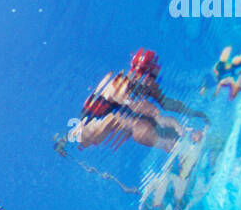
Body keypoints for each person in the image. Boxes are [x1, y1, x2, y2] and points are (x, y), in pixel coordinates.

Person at [71, 49, 206, 153]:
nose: (155, 80)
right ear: (144, 73)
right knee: (140, 127)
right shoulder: (119, 85)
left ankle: (187, 137)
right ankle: (170, 145)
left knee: (150, 122)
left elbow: (165, 102)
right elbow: (142, 107)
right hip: (100, 121)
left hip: (126, 114)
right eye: (153, 75)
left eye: (155, 75)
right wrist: (164, 119)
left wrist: (191, 112)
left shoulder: (148, 84)